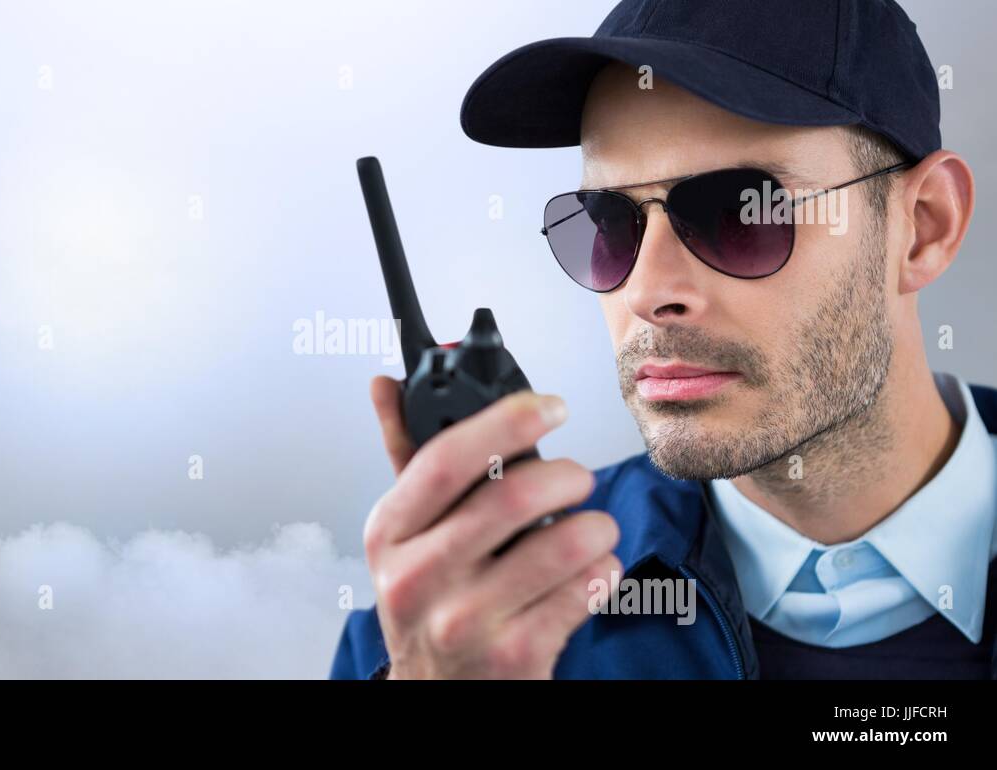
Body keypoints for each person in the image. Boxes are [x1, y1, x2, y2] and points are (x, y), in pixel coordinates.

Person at [331, 0, 992, 679]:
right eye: (609, 223)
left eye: (740, 213)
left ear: (924, 226)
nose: (646, 292)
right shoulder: (443, 630)